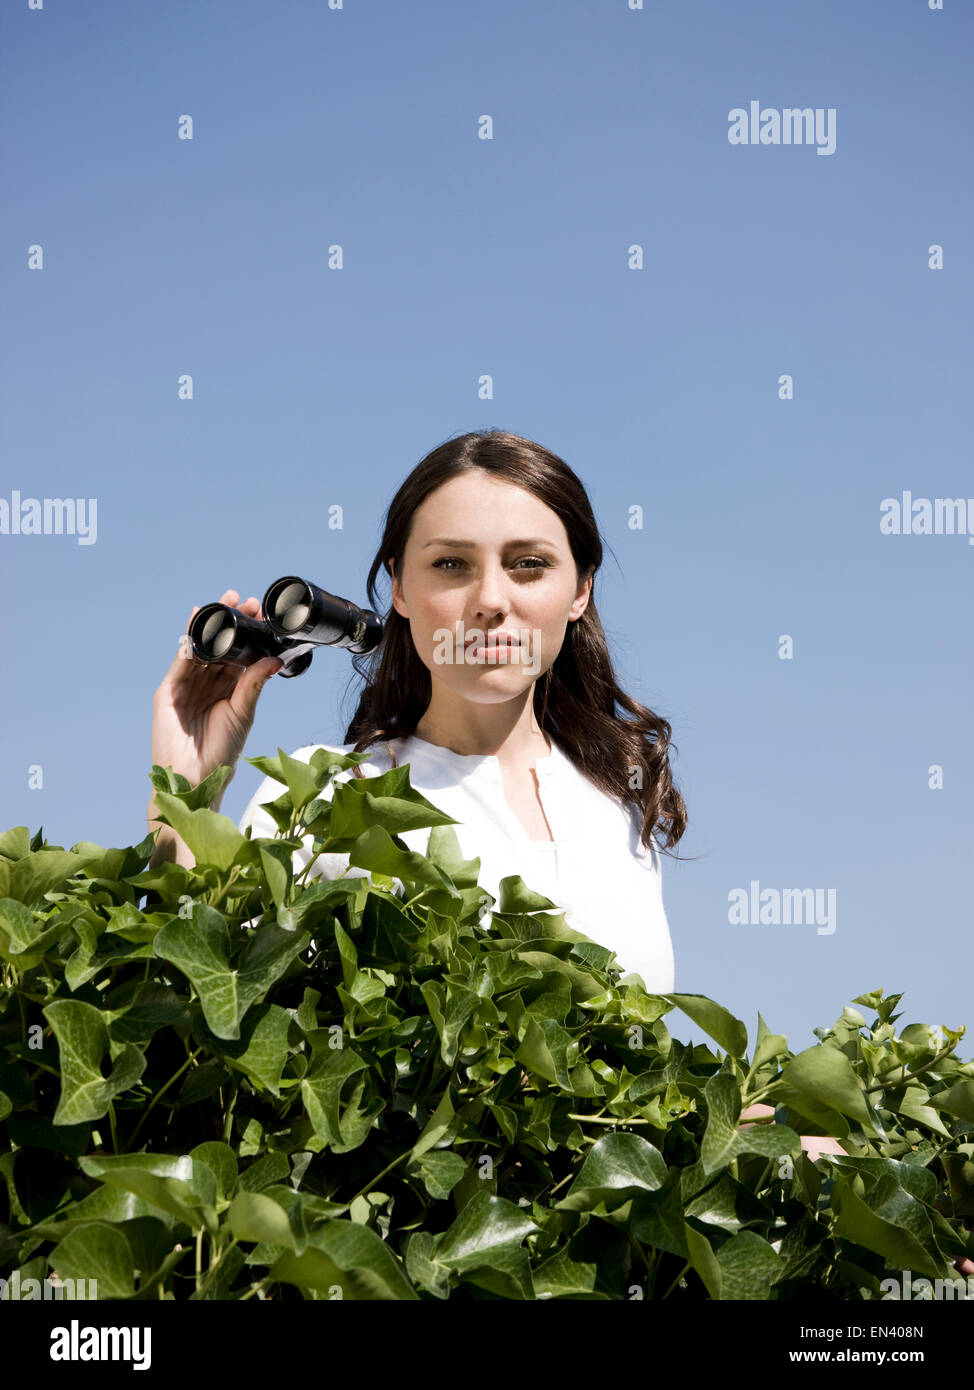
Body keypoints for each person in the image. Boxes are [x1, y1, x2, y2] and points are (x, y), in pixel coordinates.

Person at [148, 429, 688, 992]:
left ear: (580, 589)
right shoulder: (322, 796)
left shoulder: (624, 807)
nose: (491, 602)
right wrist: (184, 798)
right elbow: (206, 1011)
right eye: (451, 564)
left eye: (529, 563)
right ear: (399, 587)